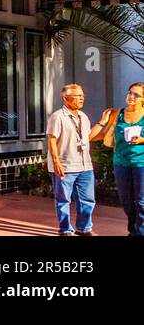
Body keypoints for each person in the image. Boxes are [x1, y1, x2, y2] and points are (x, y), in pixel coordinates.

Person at [47, 83, 113, 236]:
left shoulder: (83, 117)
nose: (82, 98)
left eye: (82, 95)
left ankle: (84, 228)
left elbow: (87, 137)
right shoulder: (57, 117)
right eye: (78, 96)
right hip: (65, 165)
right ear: (65, 98)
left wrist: (104, 122)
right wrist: (56, 162)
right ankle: (65, 230)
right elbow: (51, 140)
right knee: (63, 200)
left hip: (85, 165)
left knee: (87, 200)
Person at [100, 82, 144, 236]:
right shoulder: (118, 113)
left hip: (141, 163)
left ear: (142, 99)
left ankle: (139, 233)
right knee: (126, 200)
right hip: (120, 162)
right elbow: (106, 133)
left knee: (141, 201)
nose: (131, 96)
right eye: (130, 92)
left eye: (136, 95)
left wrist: (142, 140)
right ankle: (134, 230)